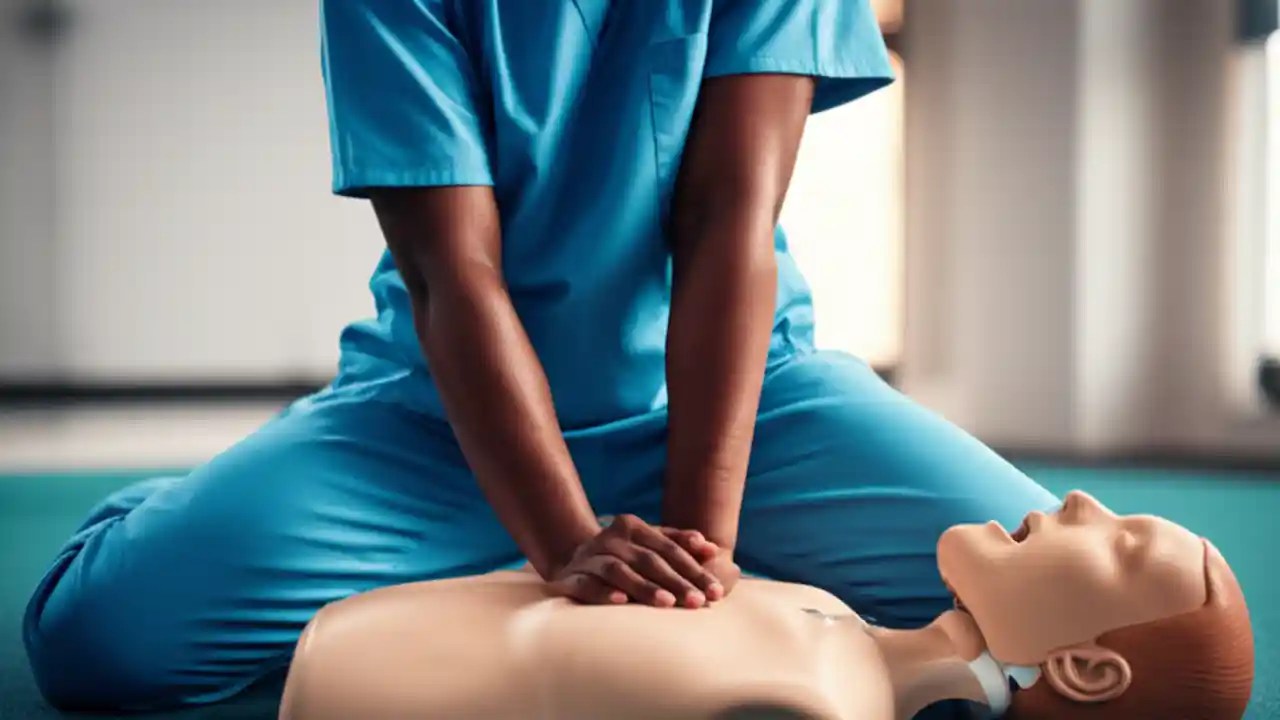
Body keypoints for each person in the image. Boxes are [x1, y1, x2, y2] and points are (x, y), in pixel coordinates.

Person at [22, 0, 1058, 713]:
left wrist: (698, 555)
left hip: (753, 408)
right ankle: (182, 511)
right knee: (99, 645)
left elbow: (728, 221)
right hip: (438, 423)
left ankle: (669, 534)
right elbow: (449, 272)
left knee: (1050, 626)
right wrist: (563, 543)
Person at [278, 492, 1255, 720]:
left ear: (1083, 668)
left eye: (1122, 540)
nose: (1084, 501)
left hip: (341, 676)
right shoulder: (833, 628)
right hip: (363, 630)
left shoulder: (812, 705)